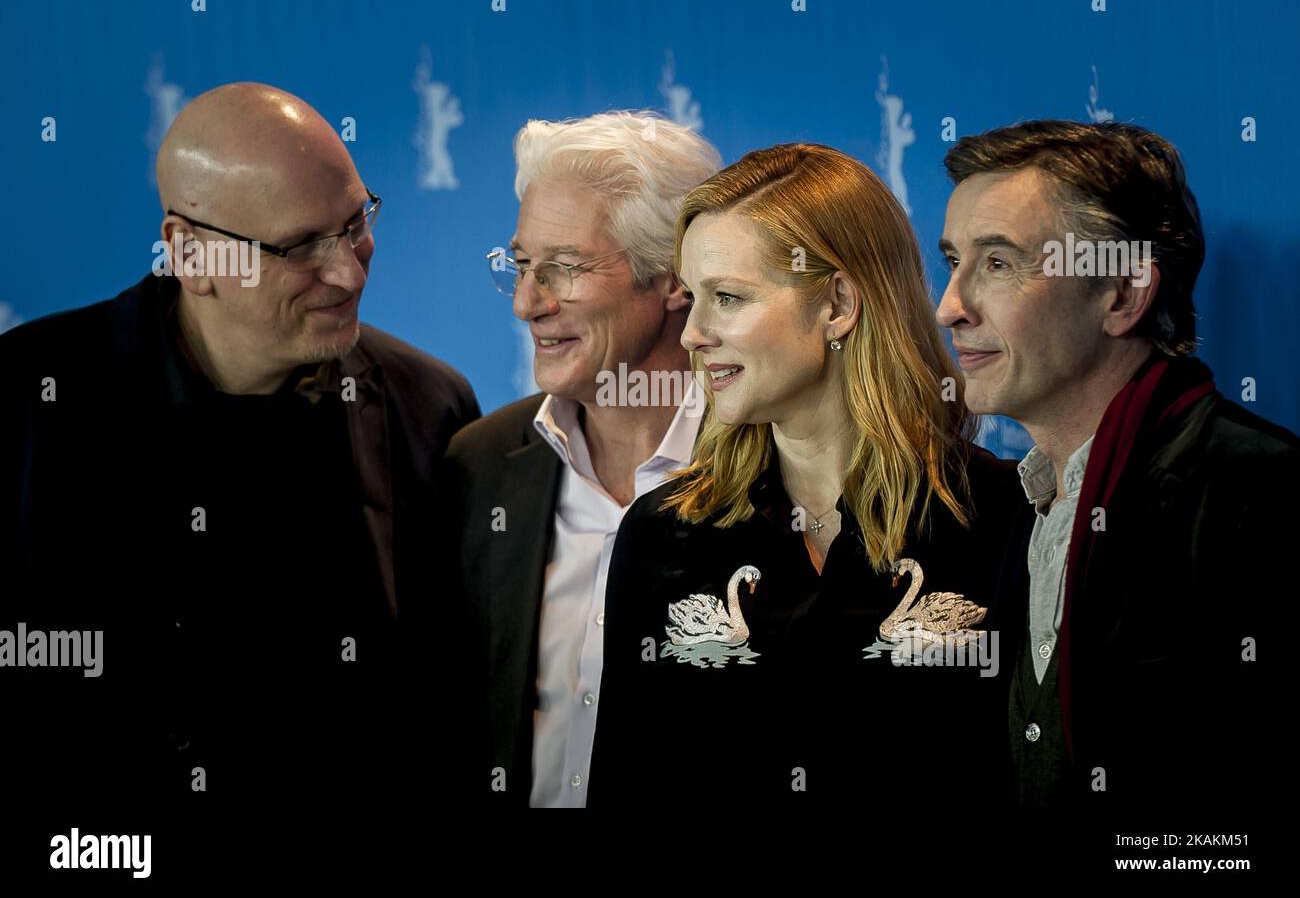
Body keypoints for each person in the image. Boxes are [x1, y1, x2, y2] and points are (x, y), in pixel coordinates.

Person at [0, 83, 479, 836]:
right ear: (190, 253)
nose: (351, 271)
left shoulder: (432, 407)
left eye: (356, 223)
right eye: (300, 247)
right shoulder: (28, 397)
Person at [589, 143, 1024, 805]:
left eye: (728, 297)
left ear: (837, 304)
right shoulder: (661, 535)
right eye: (693, 298)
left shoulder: (1004, 517)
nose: (693, 334)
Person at [936, 119, 1297, 822]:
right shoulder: (1014, 508)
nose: (951, 305)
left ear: (1125, 296)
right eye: (952, 260)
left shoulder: (1259, 492)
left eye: (999, 263)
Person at [439, 110, 721, 806]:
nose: (528, 304)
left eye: (563, 268)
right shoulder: (481, 465)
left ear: (675, 278)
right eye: (523, 266)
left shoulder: (780, 470)